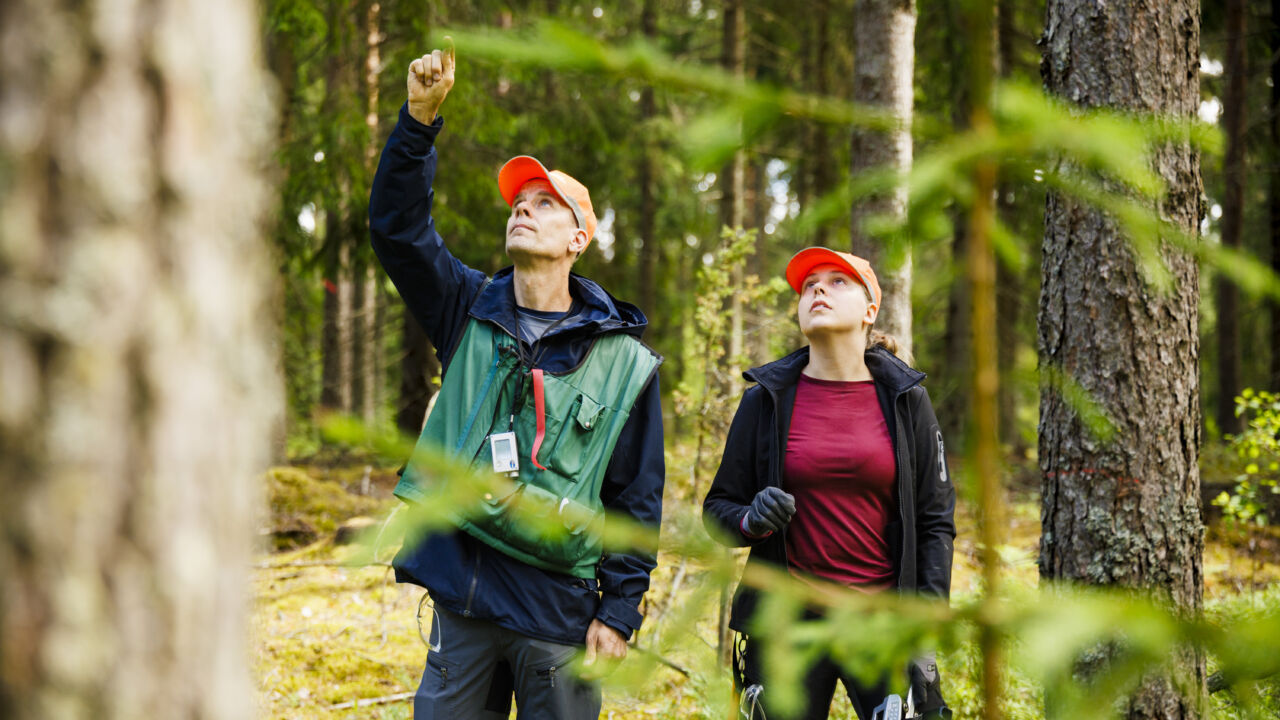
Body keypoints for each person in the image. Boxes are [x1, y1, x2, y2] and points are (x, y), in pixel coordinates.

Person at [370, 40, 665, 719]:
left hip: (558, 614)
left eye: (544, 203)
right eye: (518, 203)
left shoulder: (624, 363)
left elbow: (636, 497)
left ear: (578, 239)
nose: (522, 210)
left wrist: (619, 611)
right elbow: (397, 231)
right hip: (464, 599)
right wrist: (418, 122)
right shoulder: (467, 307)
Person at [702, 248, 956, 720]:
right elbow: (718, 509)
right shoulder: (765, 400)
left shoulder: (907, 401)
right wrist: (752, 520)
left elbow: (935, 520)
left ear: (870, 311)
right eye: (809, 285)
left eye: (838, 281)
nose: (818, 288)